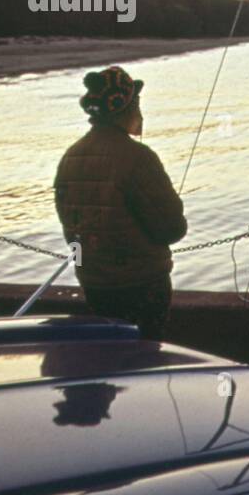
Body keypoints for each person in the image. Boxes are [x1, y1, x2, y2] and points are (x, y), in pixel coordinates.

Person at [54, 65, 187, 339]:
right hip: (142, 284)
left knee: (112, 353)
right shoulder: (138, 157)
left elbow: (70, 228)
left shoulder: (70, 156)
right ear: (128, 109)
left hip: (94, 285)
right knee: (145, 353)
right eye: (137, 104)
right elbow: (172, 229)